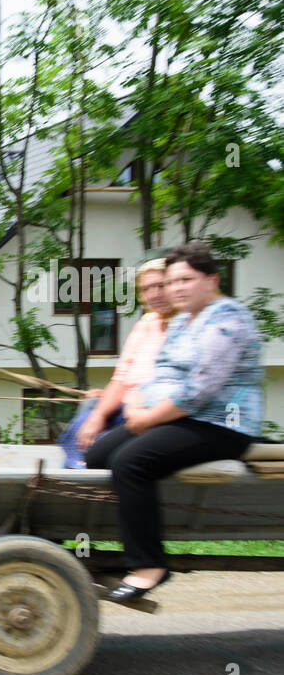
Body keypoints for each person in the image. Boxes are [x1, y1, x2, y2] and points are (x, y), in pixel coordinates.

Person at [84, 242, 263, 600]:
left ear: (212, 280)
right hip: (179, 417)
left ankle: (150, 566)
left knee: (130, 462)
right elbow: (157, 374)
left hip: (222, 424)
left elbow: (199, 391)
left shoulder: (228, 318)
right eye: (173, 281)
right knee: (99, 453)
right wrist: (136, 402)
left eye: (187, 279)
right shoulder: (181, 321)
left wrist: (145, 421)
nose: (178, 288)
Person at [58, 258, 174, 466]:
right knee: (91, 410)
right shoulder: (145, 326)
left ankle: (81, 472)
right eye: (147, 288)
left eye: (161, 286)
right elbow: (121, 378)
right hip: (126, 409)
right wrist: (100, 415)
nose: (154, 294)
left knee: (95, 441)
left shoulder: (187, 328)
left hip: (152, 413)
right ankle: (77, 469)